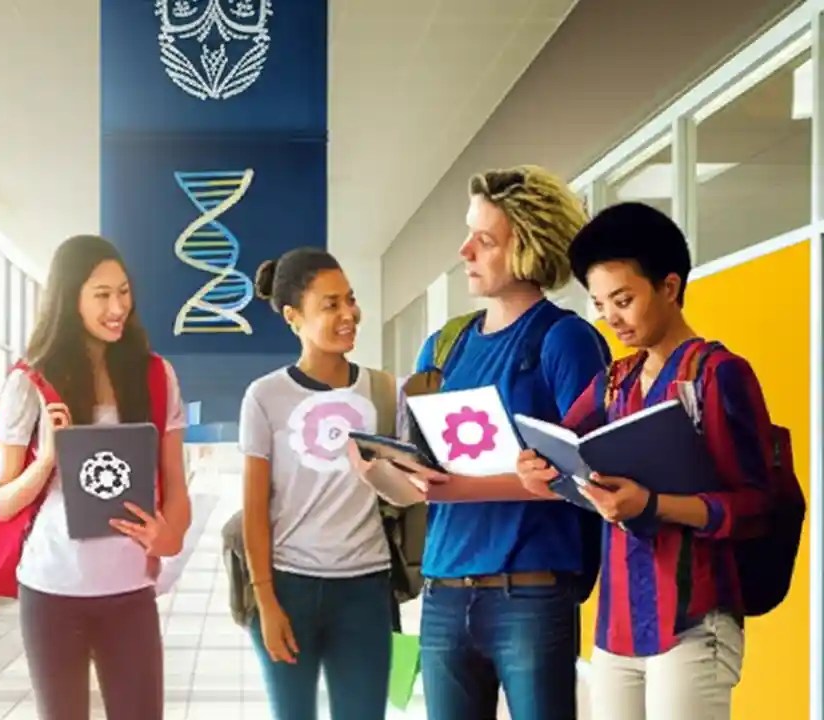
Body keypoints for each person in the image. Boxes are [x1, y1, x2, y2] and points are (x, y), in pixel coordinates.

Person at [517, 201, 772, 719]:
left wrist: (653, 503)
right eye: (599, 302)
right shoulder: (616, 379)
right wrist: (538, 466)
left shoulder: (718, 374)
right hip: (617, 623)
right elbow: (564, 442)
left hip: (693, 620)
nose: (611, 318)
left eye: (624, 299)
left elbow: (753, 507)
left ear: (670, 287)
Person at [401, 165, 610, 720]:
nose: (465, 249)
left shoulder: (566, 340)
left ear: (530, 249)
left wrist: (465, 489)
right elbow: (418, 466)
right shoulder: (444, 346)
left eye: (485, 239)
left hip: (532, 595)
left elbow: (595, 480)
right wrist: (386, 467)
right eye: (470, 233)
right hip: (443, 592)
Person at [0, 234, 191, 720]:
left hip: (129, 593)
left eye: (123, 291)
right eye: (102, 295)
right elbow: (2, 501)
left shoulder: (156, 376)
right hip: (51, 591)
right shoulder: (29, 382)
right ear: (68, 297)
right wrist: (47, 460)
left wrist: (169, 537)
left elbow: (177, 490)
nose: (118, 306)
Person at [239, 247, 420, 720]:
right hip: (288, 587)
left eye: (350, 300)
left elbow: (410, 493)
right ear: (294, 317)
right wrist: (266, 601)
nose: (349, 315)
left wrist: (390, 475)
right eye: (331, 305)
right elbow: (254, 507)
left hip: (365, 590)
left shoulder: (385, 391)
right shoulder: (265, 396)